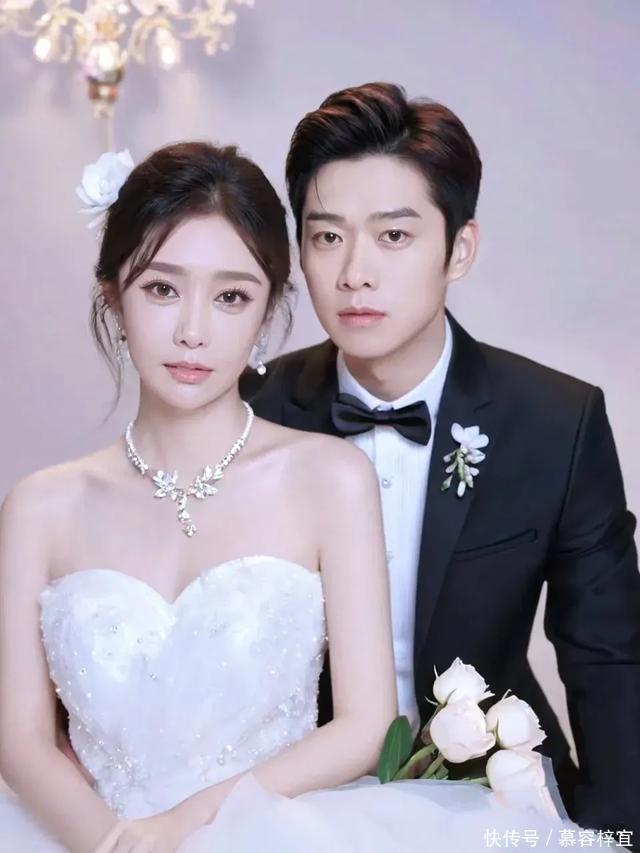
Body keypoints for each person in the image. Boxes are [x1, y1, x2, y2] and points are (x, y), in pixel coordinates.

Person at [0, 141, 576, 853]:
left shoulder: (331, 478)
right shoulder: (39, 506)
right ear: (113, 296)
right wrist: (115, 845)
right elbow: (22, 742)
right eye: (162, 289)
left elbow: (365, 725)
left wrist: (176, 831)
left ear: (268, 311)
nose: (193, 331)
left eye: (231, 296)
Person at [239, 82, 640, 842]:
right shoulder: (253, 411)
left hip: (495, 799)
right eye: (327, 237)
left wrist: (616, 832)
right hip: (293, 807)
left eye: (394, 236)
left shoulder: (556, 421)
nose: (354, 272)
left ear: (460, 249)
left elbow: (609, 658)